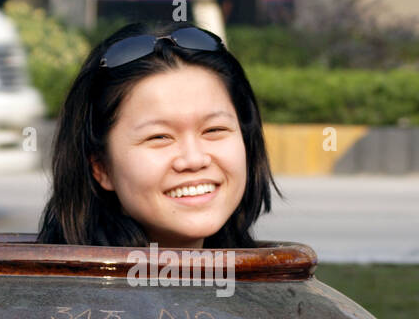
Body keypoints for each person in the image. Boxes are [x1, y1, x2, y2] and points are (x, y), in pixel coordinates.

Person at [36, 22, 283, 249]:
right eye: (159, 137)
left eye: (213, 130)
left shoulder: (267, 283)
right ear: (101, 168)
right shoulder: (69, 293)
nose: (194, 159)